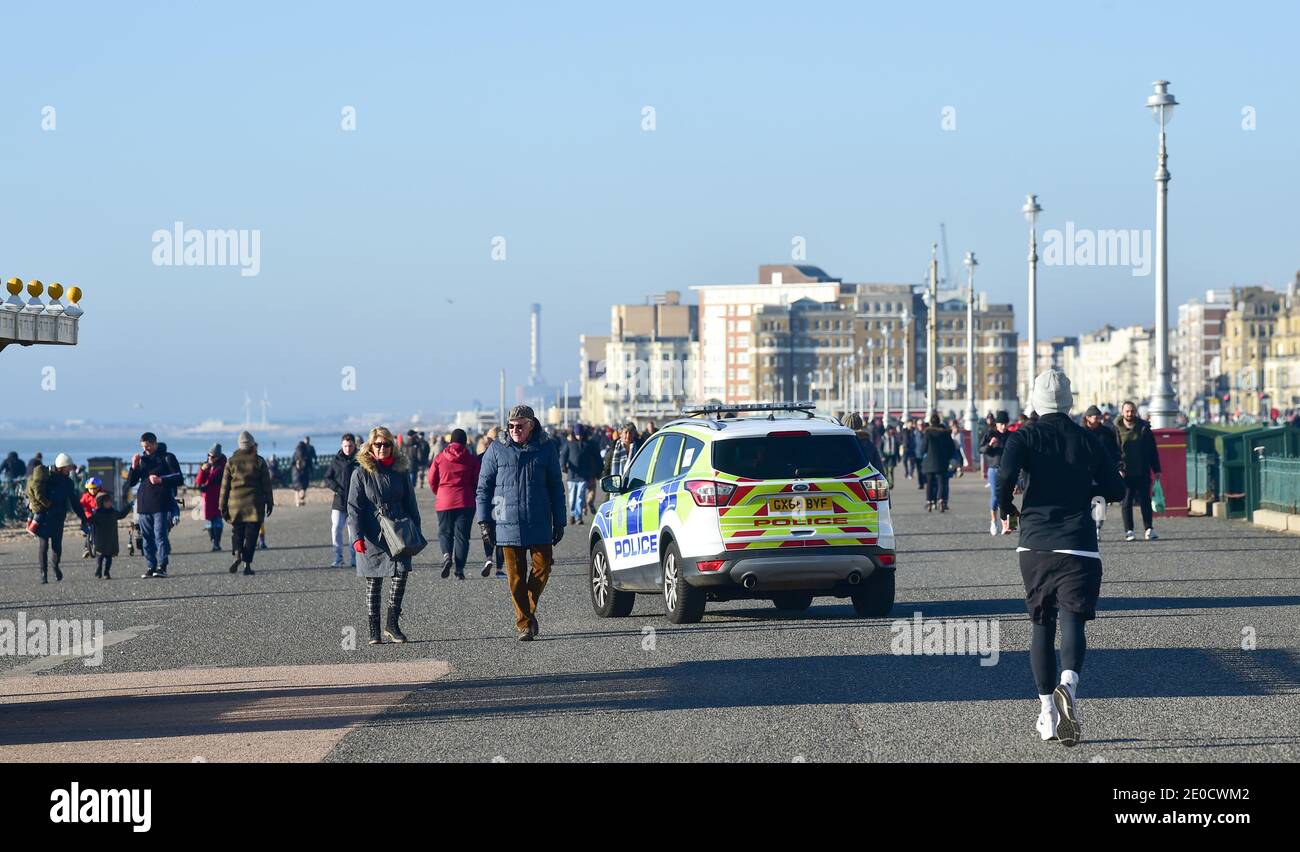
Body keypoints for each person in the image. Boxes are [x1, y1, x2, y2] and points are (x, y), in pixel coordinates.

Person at [995, 370, 1125, 747]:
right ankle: (1068, 684)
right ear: (1069, 401)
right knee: (1072, 620)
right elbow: (1116, 488)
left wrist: (1008, 508)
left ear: (1035, 400)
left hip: (1035, 543)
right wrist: (1087, 487)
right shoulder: (1086, 438)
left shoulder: (1024, 436)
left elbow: (1004, 477)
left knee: (1041, 623)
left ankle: (1047, 716)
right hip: (1078, 544)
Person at [476, 405, 565, 642]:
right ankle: (524, 624)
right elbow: (483, 488)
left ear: (531, 425)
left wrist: (560, 521)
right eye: (511, 426)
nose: (515, 430)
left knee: (543, 567)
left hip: (539, 521)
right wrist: (484, 522)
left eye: (520, 426)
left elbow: (556, 486)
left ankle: (526, 608)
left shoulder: (546, 449)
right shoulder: (495, 450)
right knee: (515, 576)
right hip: (507, 522)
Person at [348, 426, 422, 644]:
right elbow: (353, 508)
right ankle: (374, 630)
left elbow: (411, 503)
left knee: (401, 575)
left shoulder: (400, 471)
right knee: (375, 582)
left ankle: (392, 624)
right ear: (371, 446)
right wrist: (356, 537)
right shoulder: (360, 473)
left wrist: (416, 530)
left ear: (393, 446)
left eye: (386, 444)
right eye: (378, 444)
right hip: (372, 534)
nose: (382, 448)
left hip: (399, 531)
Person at [128, 432, 183, 578]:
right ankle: (150, 566)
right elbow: (131, 483)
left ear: (154, 443)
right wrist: (133, 466)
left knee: (160, 536)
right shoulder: (142, 460)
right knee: (146, 538)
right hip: (144, 504)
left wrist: (161, 480)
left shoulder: (167, 457)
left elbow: (179, 477)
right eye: (143, 447)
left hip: (161, 503)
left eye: (147, 446)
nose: (145, 449)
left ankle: (162, 566)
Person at [220, 431, 274, 576]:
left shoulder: (231, 461)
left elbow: (224, 487)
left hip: (235, 504)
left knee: (237, 531)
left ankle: (237, 552)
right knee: (251, 535)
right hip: (255, 505)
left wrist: (222, 506)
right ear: (252, 444)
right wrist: (270, 502)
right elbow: (266, 484)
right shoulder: (259, 461)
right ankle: (247, 565)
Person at [430, 428, 481, 579]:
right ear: (465, 442)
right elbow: (477, 481)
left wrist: (439, 492)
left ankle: (446, 555)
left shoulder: (440, 458)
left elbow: (432, 479)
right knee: (462, 536)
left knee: (444, 532)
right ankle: (459, 569)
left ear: (450, 441)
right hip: (465, 500)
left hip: (444, 500)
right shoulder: (471, 459)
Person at [28, 453, 86, 583]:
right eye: (69, 467)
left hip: (58, 517)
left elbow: (74, 501)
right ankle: (44, 574)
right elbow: (37, 493)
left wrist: (83, 517)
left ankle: (55, 566)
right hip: (44, 516)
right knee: (43, 546)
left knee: (56, 546)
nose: (71, 470)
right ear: (62, 467)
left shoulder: (68, 482)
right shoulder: (46, 477)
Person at [1115, 401, 1162, 542]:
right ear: (1122, 412)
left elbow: (1152, 450)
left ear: (1135, 411)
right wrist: (1119, 467)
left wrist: (1157, 469)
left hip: (1142, 470)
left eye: (1132, 411)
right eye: (1127, 411)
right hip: (1125, 472)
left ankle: (1149, 528)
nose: (1130, 414)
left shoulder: (1144, 428)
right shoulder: (1116, 429)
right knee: (1126, 502)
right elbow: (1114, 451)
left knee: (1145, 500)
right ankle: (1129, 530)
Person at [1083, 406, 1121, 537]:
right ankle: (1087, 527)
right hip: (1085, 472)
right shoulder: (1080, 432)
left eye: (1099, 417)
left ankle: (1097, 528)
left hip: (1103, 472)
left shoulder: (1106, 432)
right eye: (1095, 417)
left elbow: (1115, 450)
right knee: (1084, 501)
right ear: (1087, 418)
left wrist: (1116, 465)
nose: (1098, 419)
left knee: (1101, 501)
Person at [323, 434, 359, 567]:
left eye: (350, 446)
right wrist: (337, 488)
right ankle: (338, 557)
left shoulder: (359, 460)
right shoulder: (336, 460)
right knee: (336, 528)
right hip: (339, 500)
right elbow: (327, 478)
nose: (348, 449)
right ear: (341, 446)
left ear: (354, 445)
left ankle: (354, 559)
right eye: (345, 446)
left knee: (353, 531)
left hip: (355, 501)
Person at [980, 411, 1011, 535]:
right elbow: (981, 449)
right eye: (1001, 424)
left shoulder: (1011, 436)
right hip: (994, 468)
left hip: (1008, 469)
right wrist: (990, 445)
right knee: (996, 497)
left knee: (1009, 497)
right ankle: (994, 521)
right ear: (997, 424)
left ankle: (1011, 524)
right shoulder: (990, 434)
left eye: (1005, 424)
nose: (1003, 426)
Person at [90, 492, 132, 579]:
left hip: (111, 539)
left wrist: (128, 506)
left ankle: (106, 572)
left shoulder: (113, 512)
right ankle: (99, 569)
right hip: (100, 539)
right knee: (100, 556)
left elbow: (121, 515)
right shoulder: (97, 514)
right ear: (101, 502)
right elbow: (89, 520)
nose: (109, 503)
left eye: (109, 501)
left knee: (109, 557)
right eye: (106, 501)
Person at [195, 444, 227, 552]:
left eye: (212, 457)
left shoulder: (223, 466)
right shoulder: (206, 466)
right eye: (209, 456)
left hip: (219, 497)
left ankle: (217, 542)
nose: (210, 458)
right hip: (207, 498)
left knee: (217, 520)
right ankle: (213, 540)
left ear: (218, 457)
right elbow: (198, 482)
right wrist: (202, 470)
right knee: (209, 522)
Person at [921, 414, 955, 512]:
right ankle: (940, 500)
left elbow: (923, 448)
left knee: (929, 482)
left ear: (931, 422)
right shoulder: (945, 433)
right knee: (941, 482)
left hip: (929, 462)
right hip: (942, 461)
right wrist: (948, 457)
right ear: (939, 421)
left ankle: (930, 501)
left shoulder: (927, 433)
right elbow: (951, 447)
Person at [79, 478, 102, 558]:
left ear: (98, 487)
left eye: (94, 488)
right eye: (90, 489)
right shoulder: (86, 496)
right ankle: (86, 548)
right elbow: (81, 503)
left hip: (98, 515)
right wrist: (82, 508)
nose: (92, 490)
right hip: (88, 515)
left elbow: (106, 502)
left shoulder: (101, 495)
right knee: (87, 529)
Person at [292, 436, 317, 507]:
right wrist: (312, 470)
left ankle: (297, 501)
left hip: (296, 472)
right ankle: (302, 500)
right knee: (303, 487)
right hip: (305, 471)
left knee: (296, 488)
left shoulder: (296, 452)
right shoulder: (307, 450)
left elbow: (292, 461)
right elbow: (312, 458)